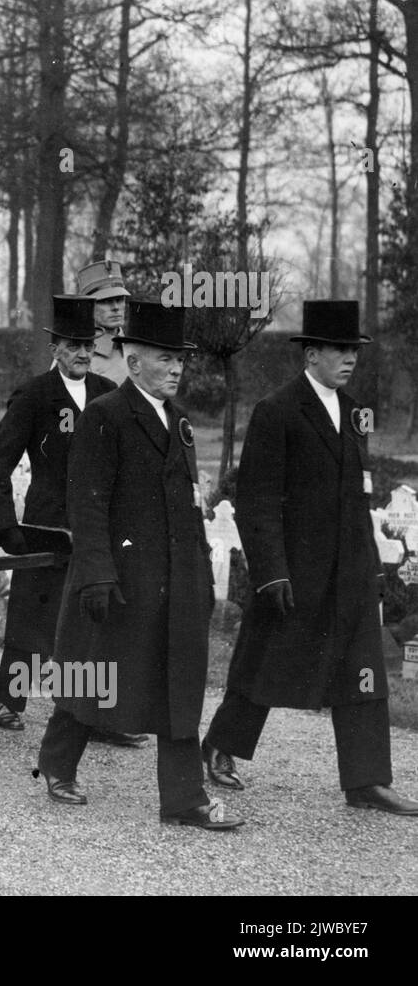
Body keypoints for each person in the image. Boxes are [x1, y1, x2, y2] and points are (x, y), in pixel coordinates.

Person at [202, 300, 418, 816]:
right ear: (312, 353)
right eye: (341, 350)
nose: (350, 359)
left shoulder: (353, 413)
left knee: (364, 672)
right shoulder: (277, 411)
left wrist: (372, 568)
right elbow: (256, 500)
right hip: (293, 574)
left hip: (350, 573)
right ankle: (217, 746)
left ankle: (367, 781)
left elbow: (356, 498)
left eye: (355, 350)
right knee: (266, 662)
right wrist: (270, 571)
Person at [34, 300, 244, 830]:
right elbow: (87, 504)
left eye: (181, 360)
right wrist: (98, 575)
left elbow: (188, 503)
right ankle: (57, 764)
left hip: (174, 583)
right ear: (132, 362)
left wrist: (199, 576)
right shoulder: (106, 417)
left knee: (178, 686)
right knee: (94, 677)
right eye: (165, 358)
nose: (177, 368)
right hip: (119, 581)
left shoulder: (180, 422)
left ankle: (183, 800)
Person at [0, 296, 121, 732]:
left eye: (88, 344)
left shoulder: (107, 393)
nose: (82, 352)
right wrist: (5, 526)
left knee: (95, 616)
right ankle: (7, 701)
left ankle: (93, 716)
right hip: (45, 524)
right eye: (72, 344)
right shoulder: (34, 394)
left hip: (96, 527)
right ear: (55, 348)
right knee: (32, 616)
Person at [75, 260, 129, 384]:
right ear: (88, 306)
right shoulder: (74, 354)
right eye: (106, 301)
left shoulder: (135, 350)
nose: (115, 307)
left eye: (120, 299)